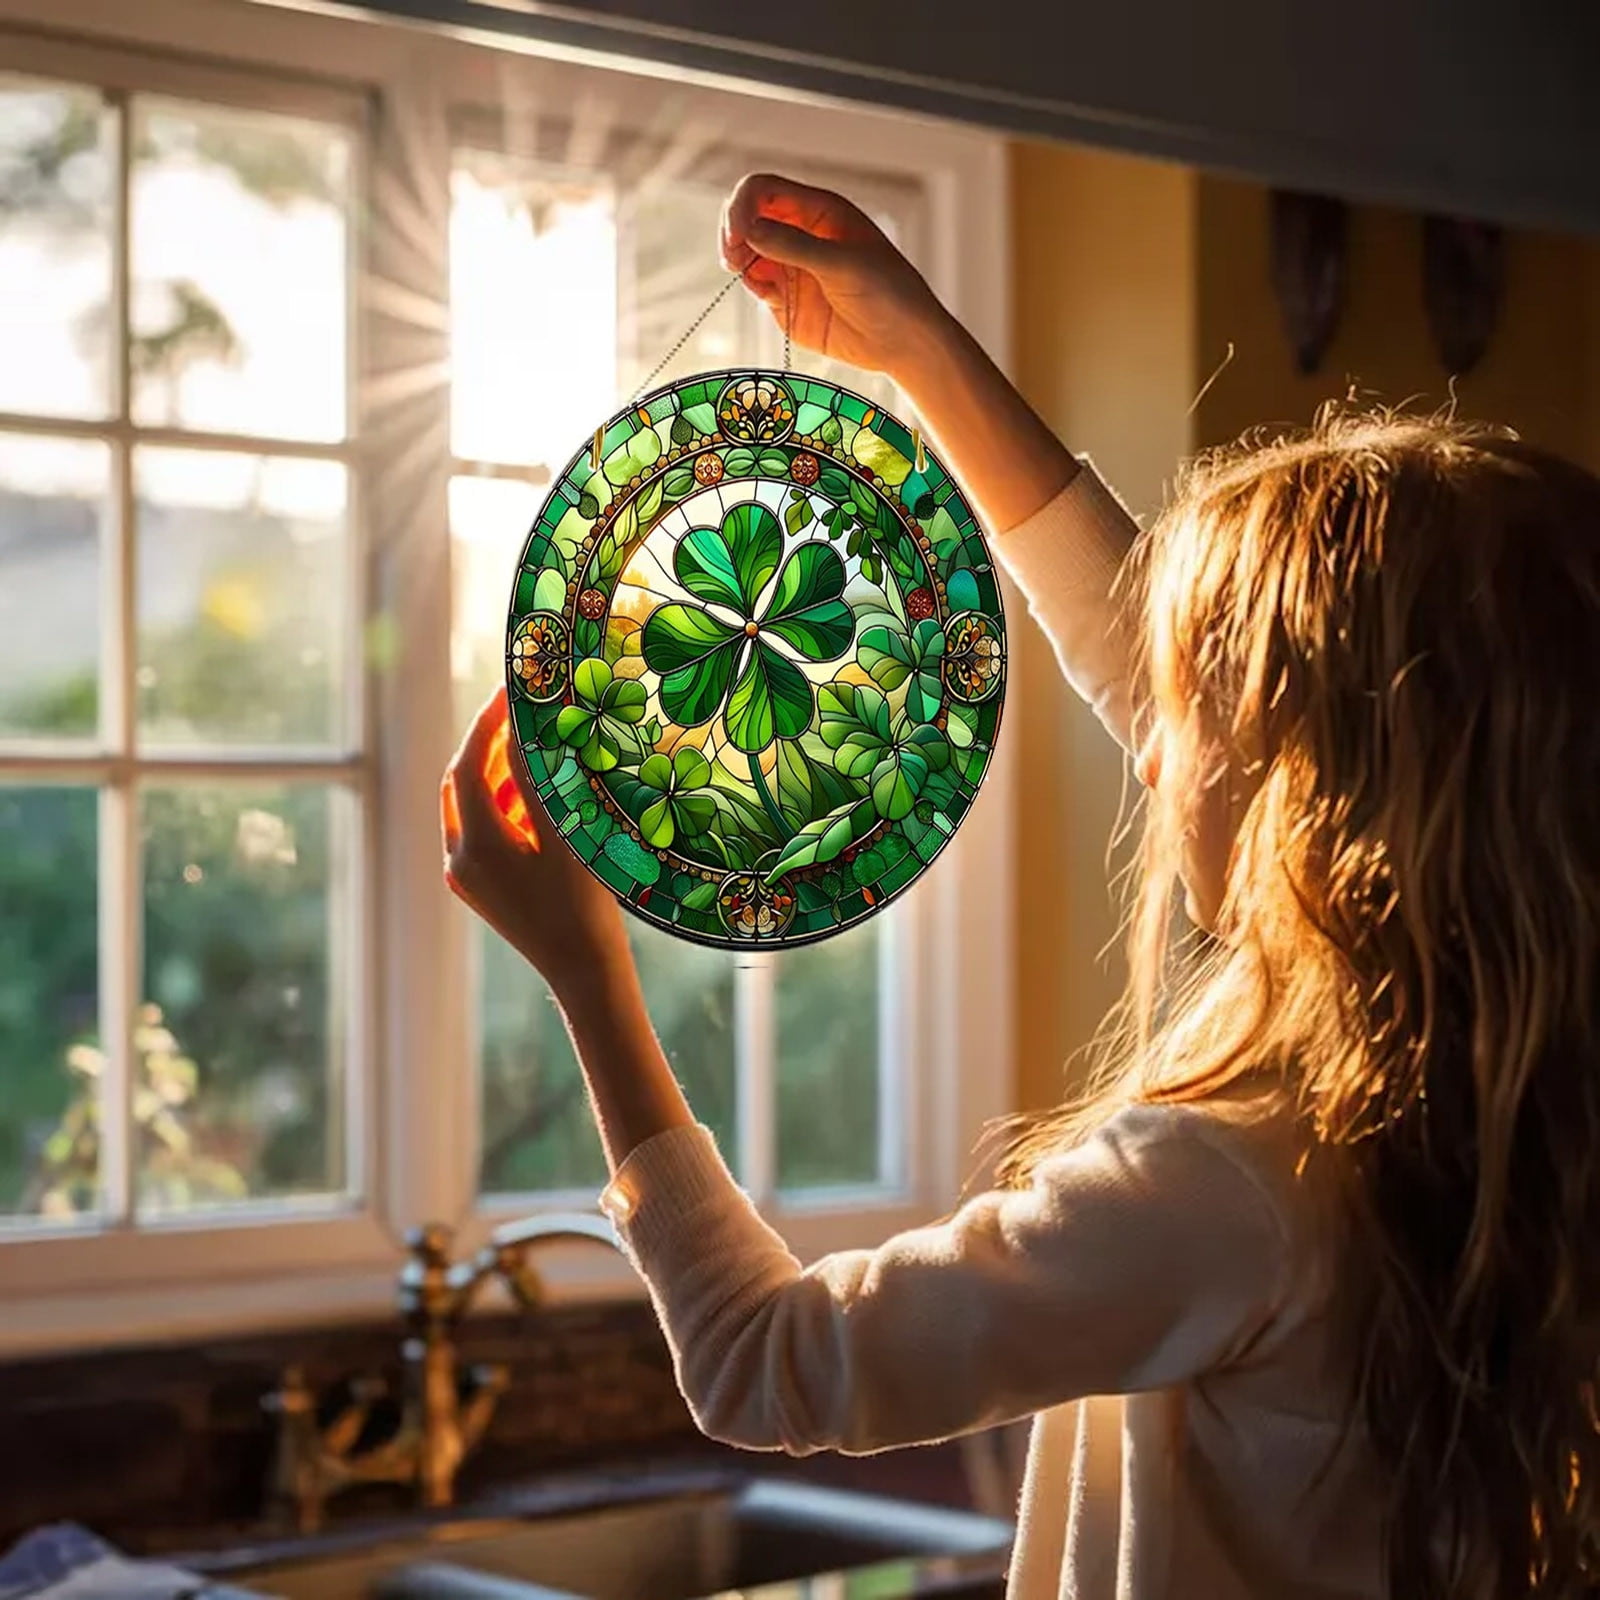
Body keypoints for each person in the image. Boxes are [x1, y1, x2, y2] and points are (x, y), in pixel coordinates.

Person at [441, 174, 1600, 1599]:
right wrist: (921, 350)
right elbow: (1139, 645)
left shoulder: (1232, 1183)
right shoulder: (1494, 1090)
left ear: (1311, 785)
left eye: (1193, 713)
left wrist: (584, 970)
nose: (1153, 745)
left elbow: (768, 1362)